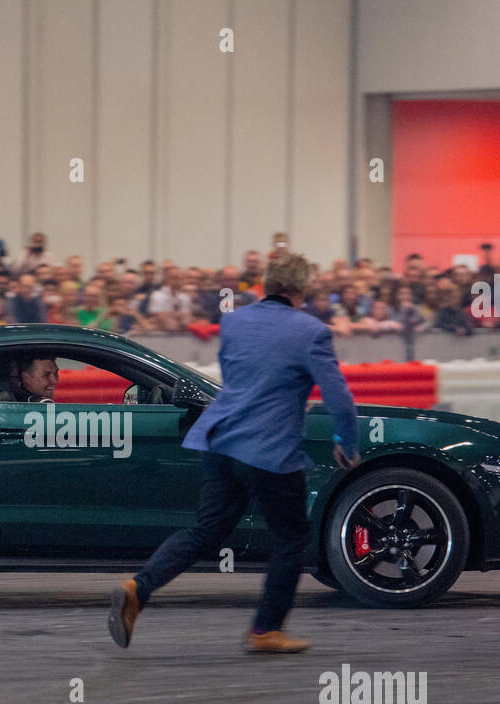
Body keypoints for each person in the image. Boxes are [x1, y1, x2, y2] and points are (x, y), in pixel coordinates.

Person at [107, 252, 360, 654]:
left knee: (206, 530)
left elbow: (241, 378)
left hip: (221, 442)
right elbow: (340, 398)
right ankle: (265, 630)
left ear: (265, 284)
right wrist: (347, 443)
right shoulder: (311, 331)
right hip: (269, 451)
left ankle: (139, 586)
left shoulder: (234, 321)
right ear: (302, 289)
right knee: (291, 537)